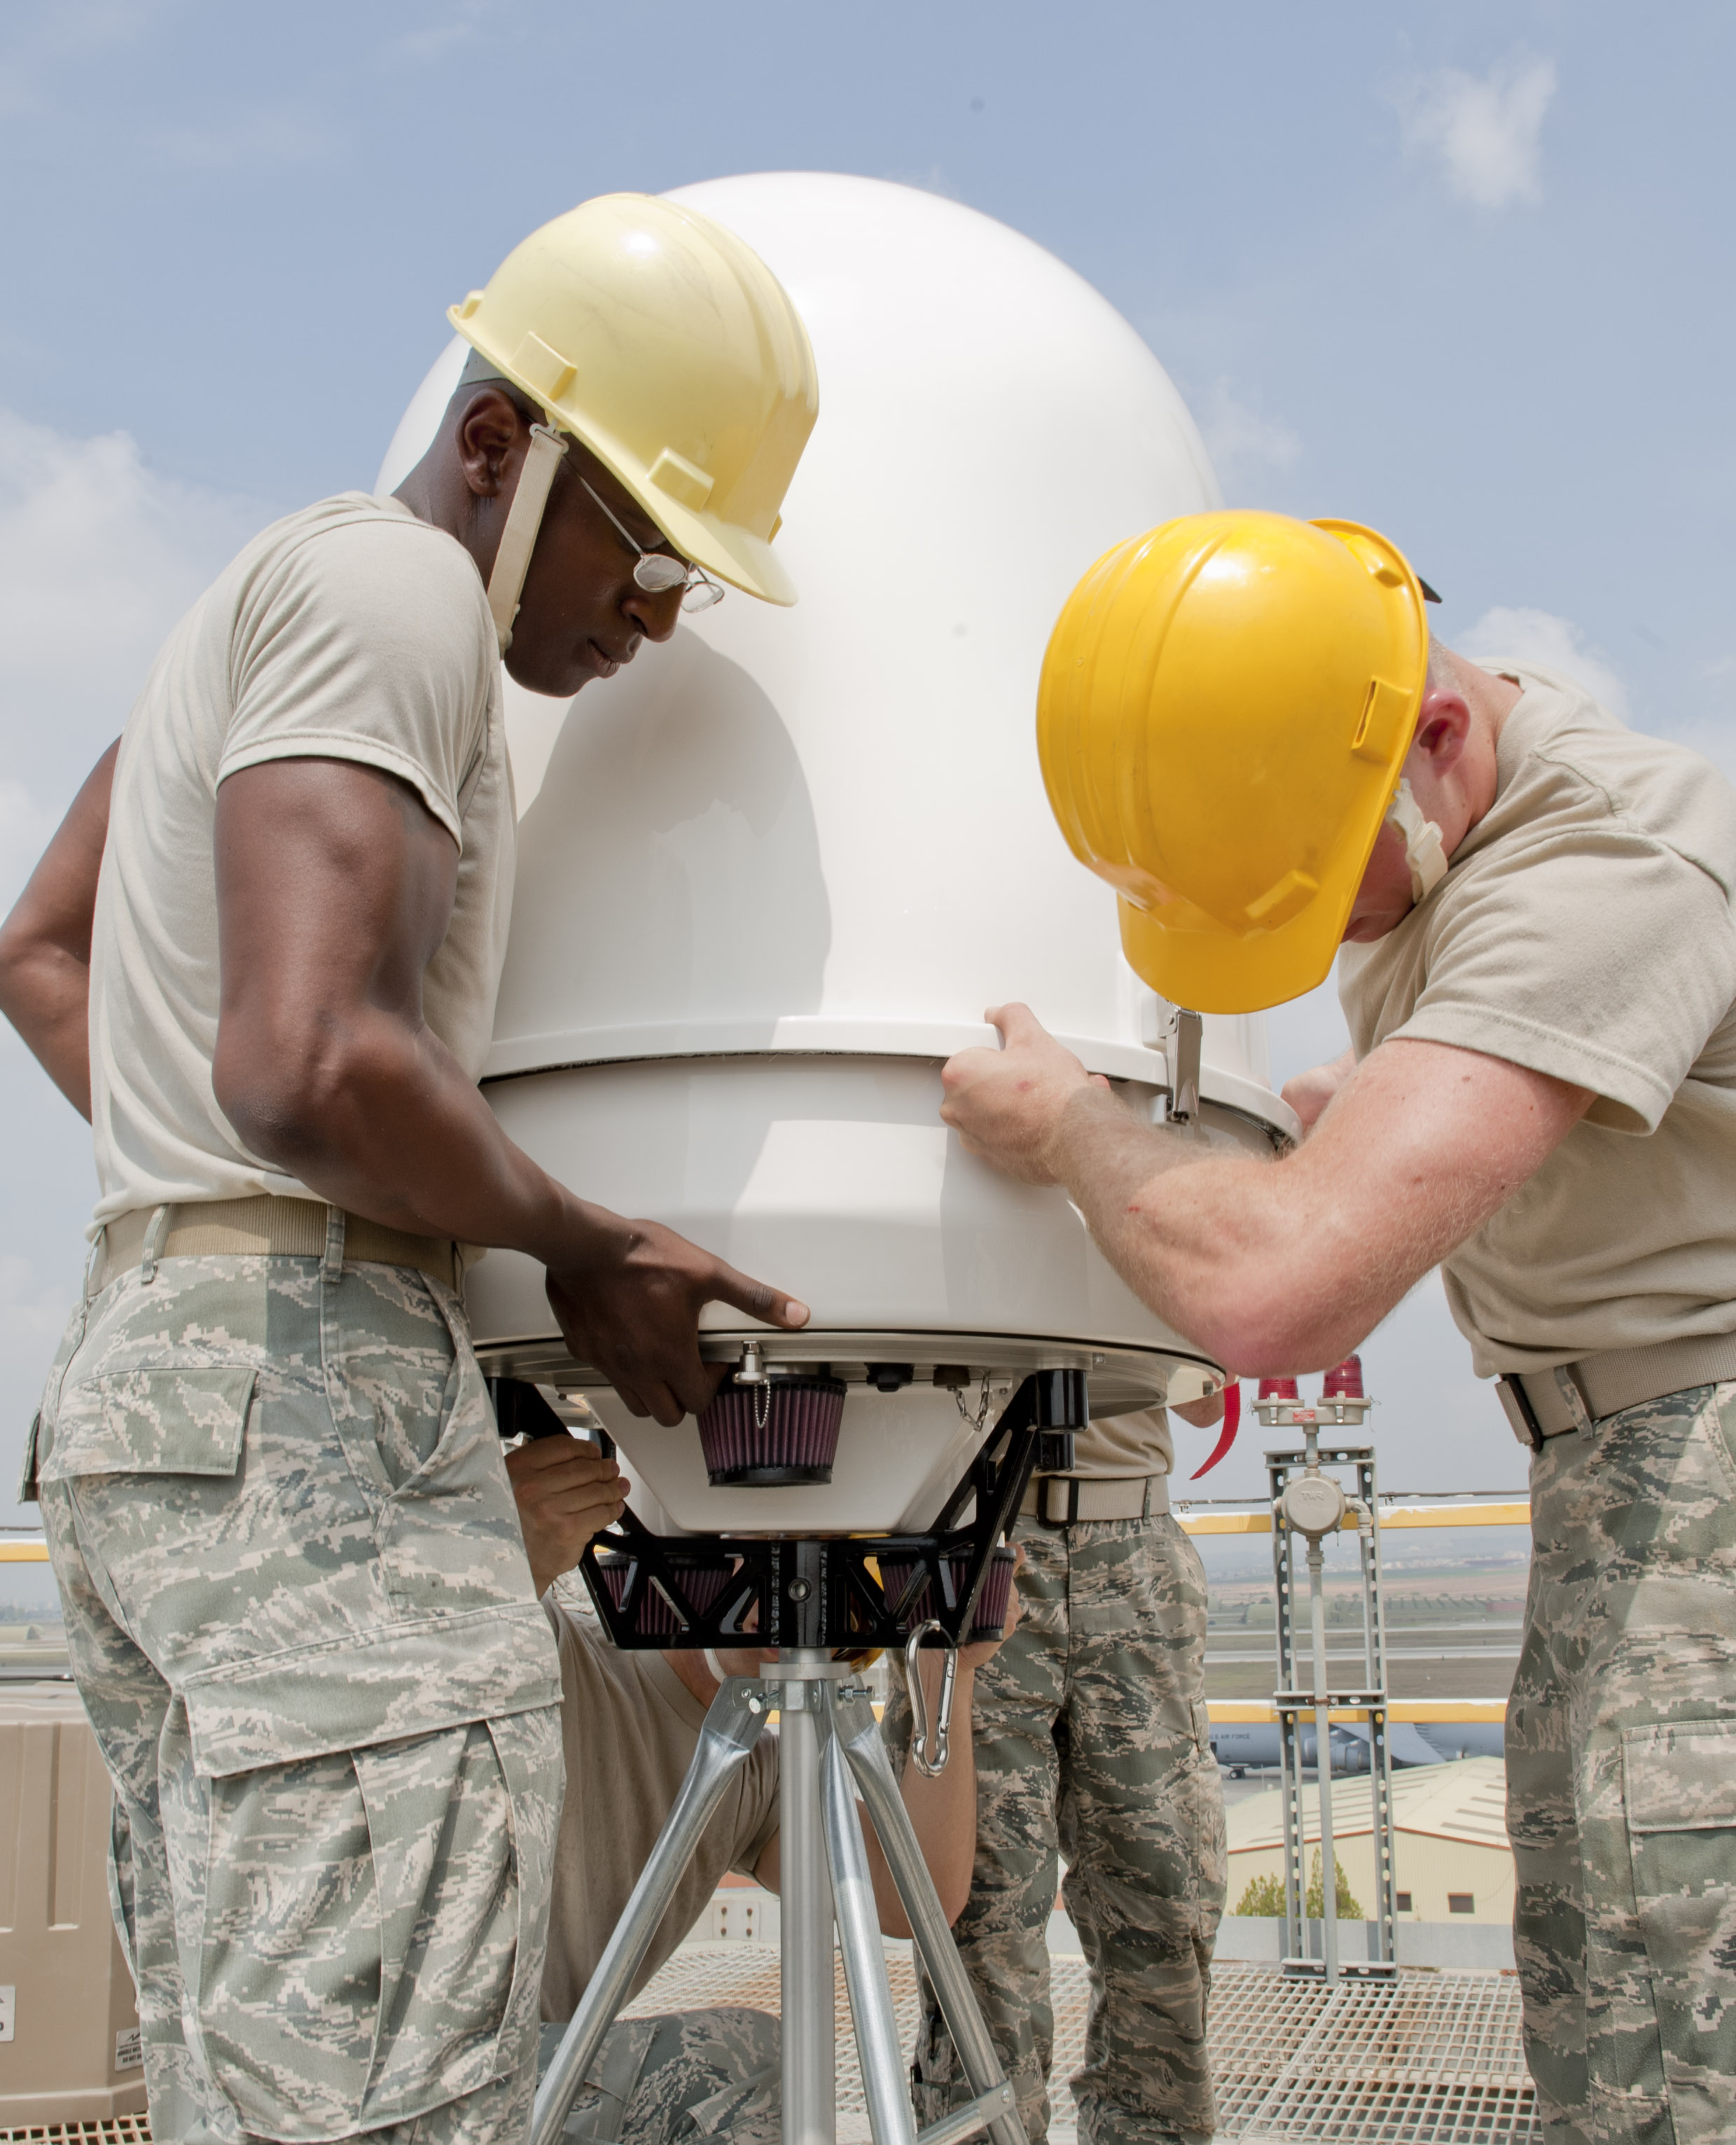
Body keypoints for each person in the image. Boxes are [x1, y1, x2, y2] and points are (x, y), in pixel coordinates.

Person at [0, 193, 819, 2145]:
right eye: (642, 565)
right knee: (384, 2094)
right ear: (495, 452)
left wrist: (203, 1215)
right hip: (310, 1404)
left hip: (169, 1386)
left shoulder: (261, 605)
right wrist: (582, 1237)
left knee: (267, 2078)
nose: (647, 627)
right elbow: (309, 1057)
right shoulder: (397, 600)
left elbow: (42, 951)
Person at [938, 508, 1736, 2145]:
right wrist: (1378, 1106)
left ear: (1438, 736)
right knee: (1608, 1991)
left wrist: (1072, 1130)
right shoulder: (1448, 837)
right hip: (1622, 1485)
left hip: (1691, 1470)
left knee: (1672, 2024)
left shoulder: (1596, 859)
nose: (1339, 938)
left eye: (1326, 892)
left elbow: (1276, 1296)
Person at [503, 1431, 1015, 2145]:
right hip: (409, 2077)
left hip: (520, 2082)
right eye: (763, 1542)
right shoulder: (547, 1651)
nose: (791, 1588)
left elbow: (914, 1894)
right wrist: (503, 1556)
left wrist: (943, 1668)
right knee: (733, 2061)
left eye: (826, 1560)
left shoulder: (753, 1773)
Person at [880, 1394, 1227, 2144]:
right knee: (981, 1924)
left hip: (1134, 1545)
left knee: (1164, 1903)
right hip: (973, 1536)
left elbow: (1207, 1391)